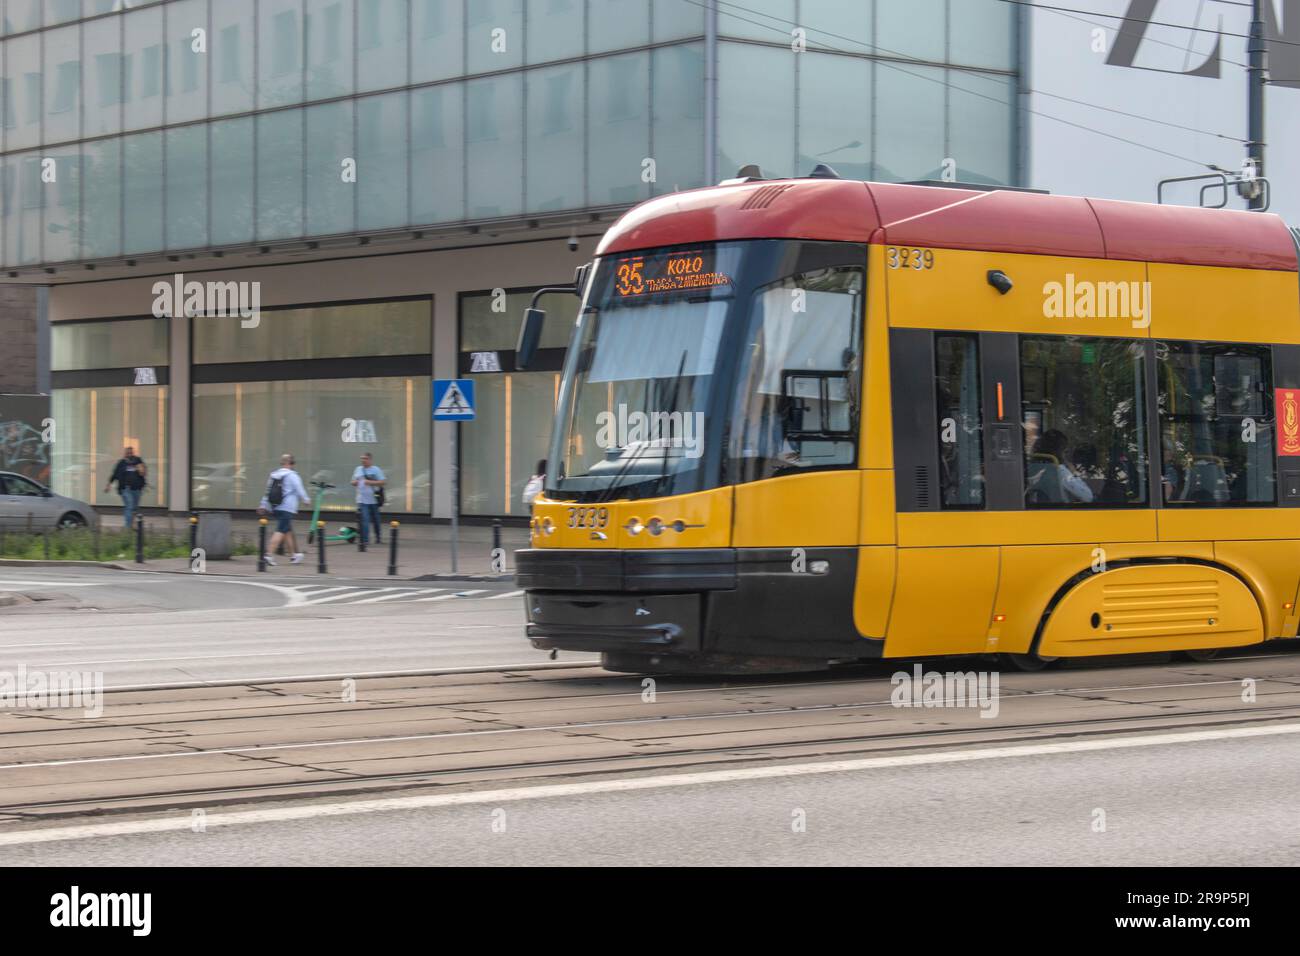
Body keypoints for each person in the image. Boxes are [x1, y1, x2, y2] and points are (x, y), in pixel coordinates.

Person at [258, 454, 309, 565]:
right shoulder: (292, 475)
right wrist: (306, 499)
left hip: (275, 507)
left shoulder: (274, 475)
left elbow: (268, 492)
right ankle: (268, 555)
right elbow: (299, 488)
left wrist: (263, 505)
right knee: (280, 531)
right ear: (290, 464)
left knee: (287, 531)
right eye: (293, 463)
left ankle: (293, 556)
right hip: (287, 507)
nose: (293, 465)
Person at [104, 445, 147, 528]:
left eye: (131, 453)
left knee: (134, 508)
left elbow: (143, 473)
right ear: (125, 454)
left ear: (133, 453)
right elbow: (115, 474)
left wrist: (141, 469)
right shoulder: (121, 463)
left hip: (137, 489)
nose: (129, 454)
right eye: (128, 453)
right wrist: (108, 485)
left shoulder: (138, 461)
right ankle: (128, 527)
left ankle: (132, 523)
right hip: (125, 488)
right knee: (129, 505)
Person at [350, 452, 386, 546]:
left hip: (374, 500)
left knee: (376, 520)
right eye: (362, 458)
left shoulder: (376, 470)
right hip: (362, 500)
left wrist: (369, 482)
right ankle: (365, 540)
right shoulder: (358, 469)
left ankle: (378, 538)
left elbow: (383, 482)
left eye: (365, 458)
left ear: (370, 459)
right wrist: (356, 482)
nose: (363, 460)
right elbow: (352, 482)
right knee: (365, 519)